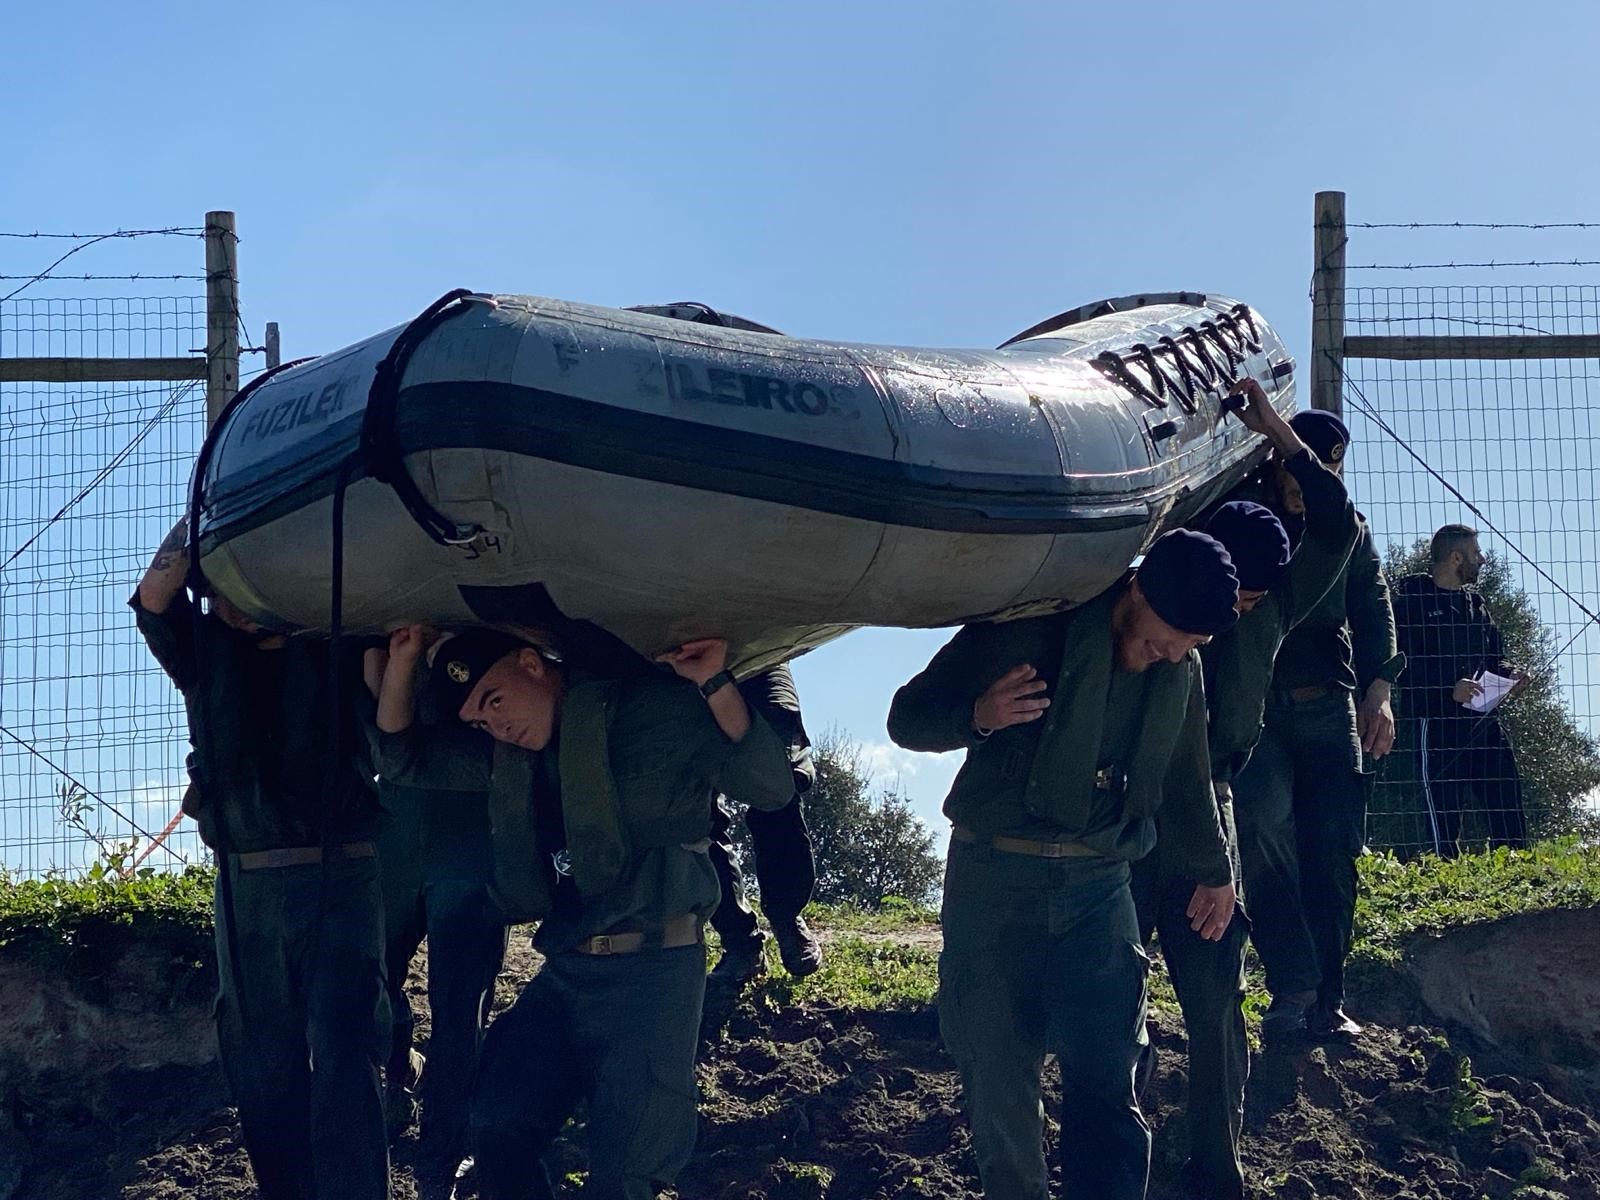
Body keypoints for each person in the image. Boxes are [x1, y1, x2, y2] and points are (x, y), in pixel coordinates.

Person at [373, 625, 793, 1200]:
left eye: (495, 700)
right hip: (567, 974)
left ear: (531, 664)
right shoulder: (513, 758)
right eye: (479, 722)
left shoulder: (654, 712)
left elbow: (771, 787)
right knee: (496, 1119)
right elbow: (401, 761)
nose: (497, 725)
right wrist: (402, 662)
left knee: (626, 1172)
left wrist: (715, 683)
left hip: (653, 975)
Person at [888, 530, 1241, 1200]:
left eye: (1191, 645)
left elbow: (1186, 776)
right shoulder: (1026, 631)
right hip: (995, 881)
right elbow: (908, 719)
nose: (1173, 654)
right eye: (1170, 638)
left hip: (1099, 886)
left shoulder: (1180, 670)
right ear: (1140, 593)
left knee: (1110, 1071)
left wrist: (1214, 871)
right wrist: (978, 716)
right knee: (999, 1073)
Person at [1139, 380, 1362, 1200]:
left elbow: (1337, 524)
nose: (1243, 608)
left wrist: (1277, 431)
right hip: (1133, 813)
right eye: (1239, 594)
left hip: (1215, 809)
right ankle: (1126, 1159)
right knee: (1117, 993)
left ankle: (1215, 1169)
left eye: (1257, 599)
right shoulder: (1171, 586)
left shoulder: (1274, 597)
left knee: (1216, 1003)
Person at [132, 517, 390, 1200]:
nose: (238, 601)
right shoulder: (205, 653)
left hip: (341, 873)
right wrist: (211, 515)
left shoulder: (338, 641)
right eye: (223, 585)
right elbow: (154, 593)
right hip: (247, 884)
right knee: (259, 1058)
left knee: (348, 1047)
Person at [1230, 410, 1404, 1043]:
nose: (1308, 483)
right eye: (1301, 465)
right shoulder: (1240, 518)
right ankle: (1292, 989)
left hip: (1329, 704)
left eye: (1329, 467)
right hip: (1256, 711)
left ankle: (1328, 999)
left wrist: (1380, 688)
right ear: (1276, 460)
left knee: (1333, 851)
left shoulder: (1345, 527)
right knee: (1264, 833)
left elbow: (1373, 603)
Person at [358, 645, 506, 1178]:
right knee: (375, 978)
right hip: (405, 824)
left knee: (458, 1007)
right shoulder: (394, 625)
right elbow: (375, 683)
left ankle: (443, 1153)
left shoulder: (488, 631)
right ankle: (402, 1075)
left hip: (466, 831)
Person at [1393, 524, 1529, 856]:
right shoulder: (1410, 602)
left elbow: (1495, 657)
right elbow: (1400, 666)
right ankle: (1443, 872)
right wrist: (1447, 690)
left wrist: (1511, 674)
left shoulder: (1476, 604)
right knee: (1443, 812)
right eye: (1476, 553)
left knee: (1506, 797)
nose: (1482, 560)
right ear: (1456, 558)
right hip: (1435, 723)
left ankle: (1517, 867)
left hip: (1483, 721)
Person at [704, 666, 824, 1005]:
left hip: (761, 661)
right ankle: (742, 944)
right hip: (677, 673)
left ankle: (786, 916)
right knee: (696, 807)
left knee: (782, 776)